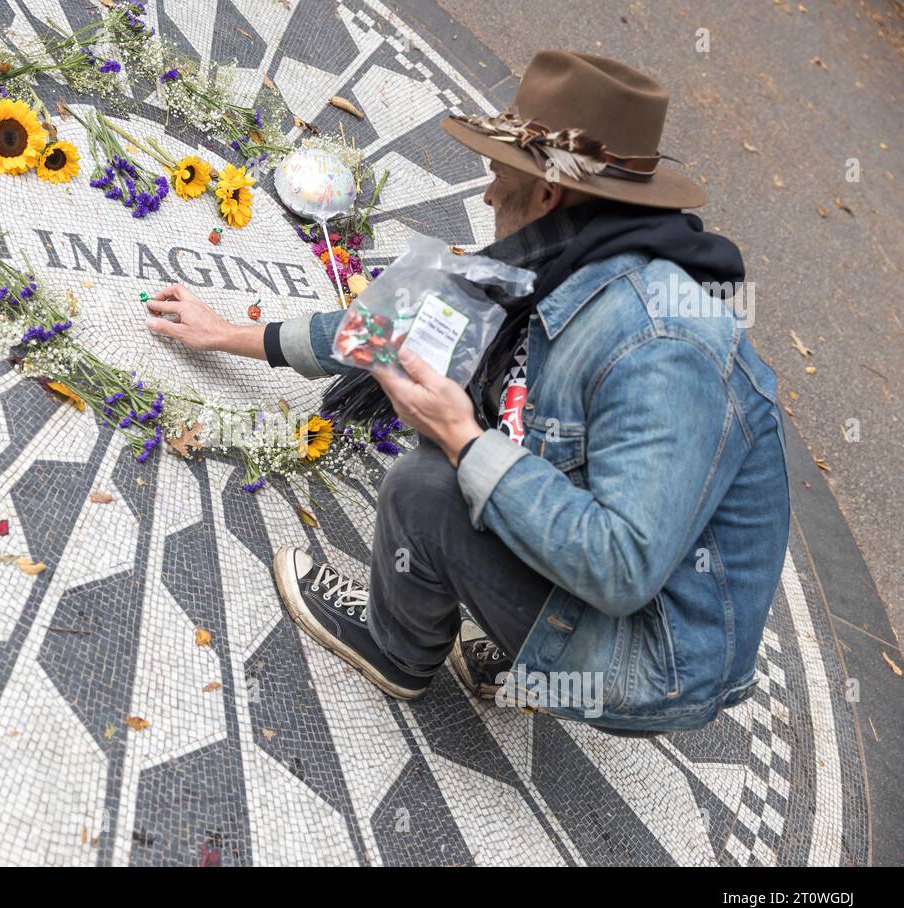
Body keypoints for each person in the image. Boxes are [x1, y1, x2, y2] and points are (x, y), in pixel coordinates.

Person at [142, 50, 789, 734]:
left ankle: (398, 648)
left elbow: (622, 566)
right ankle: (528, 636)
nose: (485, 196)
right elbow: (397, 330)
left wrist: (463, 439)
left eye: (497, 176)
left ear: (548, 196)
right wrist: (232, 335)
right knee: (466, 397)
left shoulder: (664, 345)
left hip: (656, 665)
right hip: (620, 605)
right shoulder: (557, 262)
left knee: (430, 482)